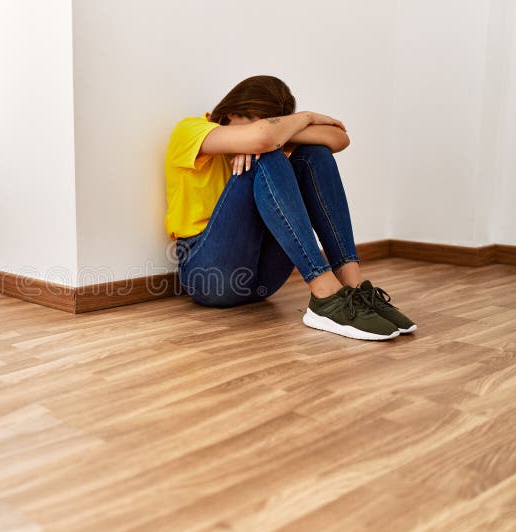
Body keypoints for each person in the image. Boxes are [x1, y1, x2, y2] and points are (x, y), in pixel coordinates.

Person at [165, 75, 416, 341]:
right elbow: (263, 138)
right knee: (266, 155)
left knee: (314, 154)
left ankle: (355, 288)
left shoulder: (269, 138)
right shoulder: (191, 130)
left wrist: (277, 132)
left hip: (264, 282)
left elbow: (339, 139)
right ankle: (325, 294)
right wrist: (304, 118)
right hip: (209, 275)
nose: (271, 136)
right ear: (231, 113)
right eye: (261, 124)